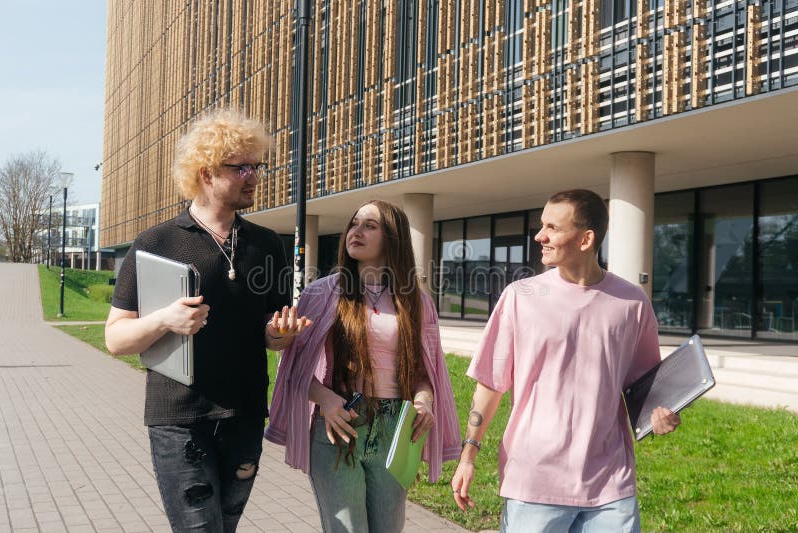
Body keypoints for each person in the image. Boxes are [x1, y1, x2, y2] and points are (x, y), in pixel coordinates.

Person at [105, 108, 310, 532]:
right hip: (179, 419)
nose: (255, 176)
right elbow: (115, 338)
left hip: (246, 415)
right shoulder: (156, 242)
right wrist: (165, 320)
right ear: (206, 173)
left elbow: (272, 330)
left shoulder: (268, 244)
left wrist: (278, 334)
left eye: (258, 166)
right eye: (242, 168)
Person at [451, 189, 681, 533]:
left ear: (586, 239)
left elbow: (643, 386)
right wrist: (468, 457)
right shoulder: (520, 298)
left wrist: (659, 414)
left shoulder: (632, 302)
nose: (539, 236)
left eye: (552, 228)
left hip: (610, 484)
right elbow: (490, 385)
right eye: (542, 225)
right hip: (534, 478)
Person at [264, 200, 461, 533]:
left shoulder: (416, 300)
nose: (356, 231)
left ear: (393, 237)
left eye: (370, 225)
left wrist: (424, 402)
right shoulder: (322, 293)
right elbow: (294, 365)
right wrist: (325, 399)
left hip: (394, 428)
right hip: (338, 424)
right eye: (354, 224)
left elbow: (424, 374)